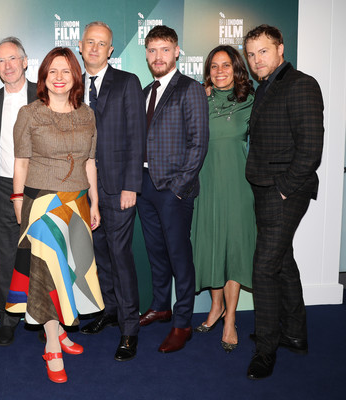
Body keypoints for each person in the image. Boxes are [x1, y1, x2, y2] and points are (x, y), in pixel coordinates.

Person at [5, 47, 104, 383]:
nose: (59, 78)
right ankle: (51, 345)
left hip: (77, 202)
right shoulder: (29, 113)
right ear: (43, 78)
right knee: (46, 274)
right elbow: (21, 162)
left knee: (70, 272)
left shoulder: (87, 114)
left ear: (75, 76)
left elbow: (90, 162)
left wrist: (94, 202)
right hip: (42, 202)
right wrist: (18, 201)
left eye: (66, 71)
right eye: (53, 72)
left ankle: (61, 332)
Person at [243, 24, 324, 380]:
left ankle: (266, 348)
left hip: (285, 190)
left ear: (280, 50)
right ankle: (294, 333)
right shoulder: (267, 86)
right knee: (282, 261)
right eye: (251, 54)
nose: (256, 59)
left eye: (263, 51)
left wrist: (283, 188)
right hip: (266, 187)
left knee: (263, 268)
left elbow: (311, 149)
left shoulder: (301, 84)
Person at [136, 25, 209, 353]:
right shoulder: (145, 92)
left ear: (176, 51)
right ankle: (161, 305)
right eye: (152, 50)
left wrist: (179, 188)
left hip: (173, 190)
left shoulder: (189, 89)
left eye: (164, 49)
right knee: (156, 252)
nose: (157, 56)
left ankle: (182, 323)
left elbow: (198, 143)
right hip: (145, 187)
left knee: (180, 256)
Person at [77, 21, 146, 362]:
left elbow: (137, 138)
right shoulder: (72, 86)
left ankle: (130, 329)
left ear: (110, 50)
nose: (94, 47)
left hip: (119, 189)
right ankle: (111, 310)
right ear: (80, 45)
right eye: (90, 41)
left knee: (120, 256)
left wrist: (132, 185)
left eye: (101, 43)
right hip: (83, 190)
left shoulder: (127, 82)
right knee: (99, 255)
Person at [191, 45, 256, 353]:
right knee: (212, 244)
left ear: (236, 69)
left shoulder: (251, 102)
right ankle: (215, 307)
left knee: (233, 248)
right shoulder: (199, 100)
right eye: (214, 66)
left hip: (238, 186)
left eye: (226, 65)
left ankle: (230, 318)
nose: (219, 71)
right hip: (205, 185)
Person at [0, 37, 38, 346]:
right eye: (1, 62)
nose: (7, 65)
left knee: (43, 253)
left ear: (25, 62)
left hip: (40, 186)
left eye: (12, 59)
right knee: (5, 255)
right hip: (2, 187)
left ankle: (44, 318)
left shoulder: (44, 95)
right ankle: (9, 317)